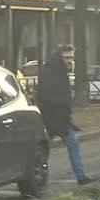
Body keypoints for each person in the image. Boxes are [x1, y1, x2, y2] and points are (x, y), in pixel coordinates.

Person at [36, 44, 91, 186]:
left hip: (61, 117)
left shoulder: (60, 71)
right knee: (42, 151)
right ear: (60, 56)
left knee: (71, 144)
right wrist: (64, 102)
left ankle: (81, 177)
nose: (70, 60)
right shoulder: (50, 72)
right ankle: (36, 179)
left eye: (72, 57)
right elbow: (43, 96)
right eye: (67, 57)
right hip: (50, 117)